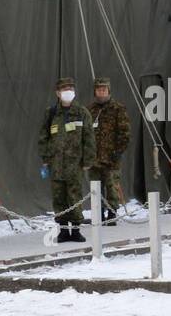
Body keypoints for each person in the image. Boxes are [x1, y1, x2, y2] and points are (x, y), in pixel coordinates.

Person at [38, 76, 94, 243]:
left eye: (70, 89)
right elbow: (44, 137)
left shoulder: (82, 113)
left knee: (75, 196)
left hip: (75, 165)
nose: (68, 92)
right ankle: (63, 230)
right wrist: (46, 158)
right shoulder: (52, 113)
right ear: (58, 93)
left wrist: (88, 161)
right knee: (59, 197)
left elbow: (89, 138)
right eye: (64, 89)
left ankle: (76, 230)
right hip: (56, 165)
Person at [90, 76, 130, 224]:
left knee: (111, 187)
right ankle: (98, 214)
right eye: (99, 90)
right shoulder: (90, 110)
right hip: (94, 158)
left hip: (112, 158)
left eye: (104, 89)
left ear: (108, 90)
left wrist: (118, 151)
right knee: (95, 188)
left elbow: (125, 132)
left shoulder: (118, 108)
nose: (101, 92)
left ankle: (112, 215)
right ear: (95, 91)